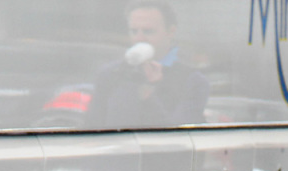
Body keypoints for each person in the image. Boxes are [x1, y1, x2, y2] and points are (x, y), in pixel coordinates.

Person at [87, 0, 209, 129]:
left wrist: (148, 95)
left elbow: (178, 137)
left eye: (148, 31)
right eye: (134, 31)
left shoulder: (192, 81)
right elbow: (93, 128)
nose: (139, 39)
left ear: (170, 32)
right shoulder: (111, 74)